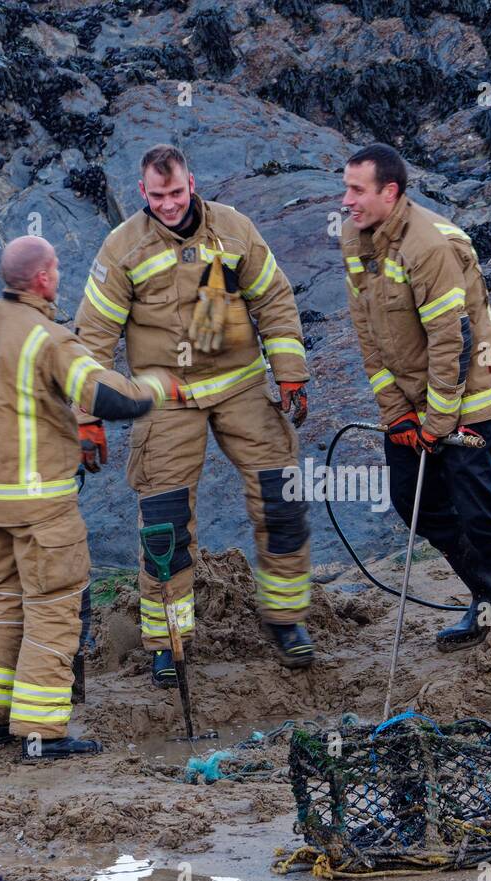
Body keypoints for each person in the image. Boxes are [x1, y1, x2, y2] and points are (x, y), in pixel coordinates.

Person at [0, 235, 174, 758]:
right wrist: (161, 387)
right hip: (42, 513)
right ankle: (40, 733)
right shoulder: (50, 339)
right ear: (44, 279)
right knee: (53, 610)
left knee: (5, 605)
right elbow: (107, 396)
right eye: (55, 269)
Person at [73, 143, 314, 686]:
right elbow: (92, 338)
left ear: (192, 183)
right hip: (166, 398)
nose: (169, 204)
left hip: (242, 385)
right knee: (163, 525)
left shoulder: (233, 229)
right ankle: (169, 643)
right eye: (157, 196)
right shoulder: (122, 249)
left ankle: (287, 620)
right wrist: (87, 416)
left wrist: (290, 371)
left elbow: (274, 298)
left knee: (281, 497)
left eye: (176, 193)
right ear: (142, 193)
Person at [340, 143, 491, 669]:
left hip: (465, 393)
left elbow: (453, 342)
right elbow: (367, 330)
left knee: (482, 511)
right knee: (413, 501)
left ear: (390, 192)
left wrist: (438, 422)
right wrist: (395, 412)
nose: (347, 199)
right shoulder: (353, 238)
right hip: (412, 395)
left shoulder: (428, 247)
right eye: (347, 187)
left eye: (358, 189)